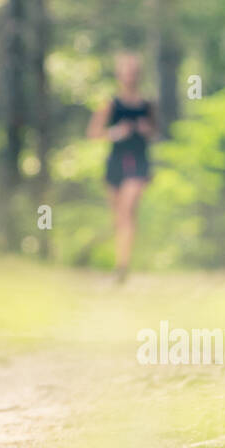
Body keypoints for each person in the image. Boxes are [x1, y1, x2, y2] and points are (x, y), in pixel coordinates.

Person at [87, 52, 157, 281]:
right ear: (119, 75)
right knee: (119, 217)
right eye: (126, 72)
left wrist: (147, 130)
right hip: (116, 162)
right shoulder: (110, 104)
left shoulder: (147, 104)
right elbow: (93, 134)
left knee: (127, 210)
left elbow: (156, 133)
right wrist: (116, 133)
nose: (130, 77)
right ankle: (122, 260)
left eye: (134, 72)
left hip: (138, 162)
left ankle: (122, 267)